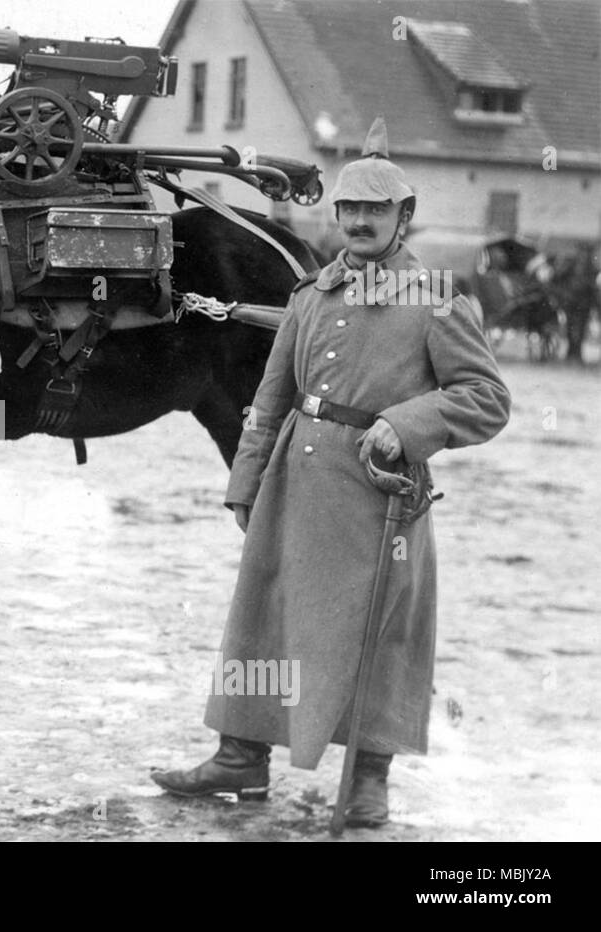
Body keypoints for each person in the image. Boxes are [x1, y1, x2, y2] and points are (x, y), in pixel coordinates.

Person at [150, 116, 511, 827]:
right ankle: (240, 756)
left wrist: (405, 426)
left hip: (380, 497)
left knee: (379, 634)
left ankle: (371, 774)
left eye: (377, 210)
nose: (360, 222)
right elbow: (269, 398)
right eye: (350, 209)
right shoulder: (309, 296)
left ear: (403, 219)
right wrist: (246, 478)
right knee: (264, 614)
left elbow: (488, 398)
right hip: (297, 478)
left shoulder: (436, 298)